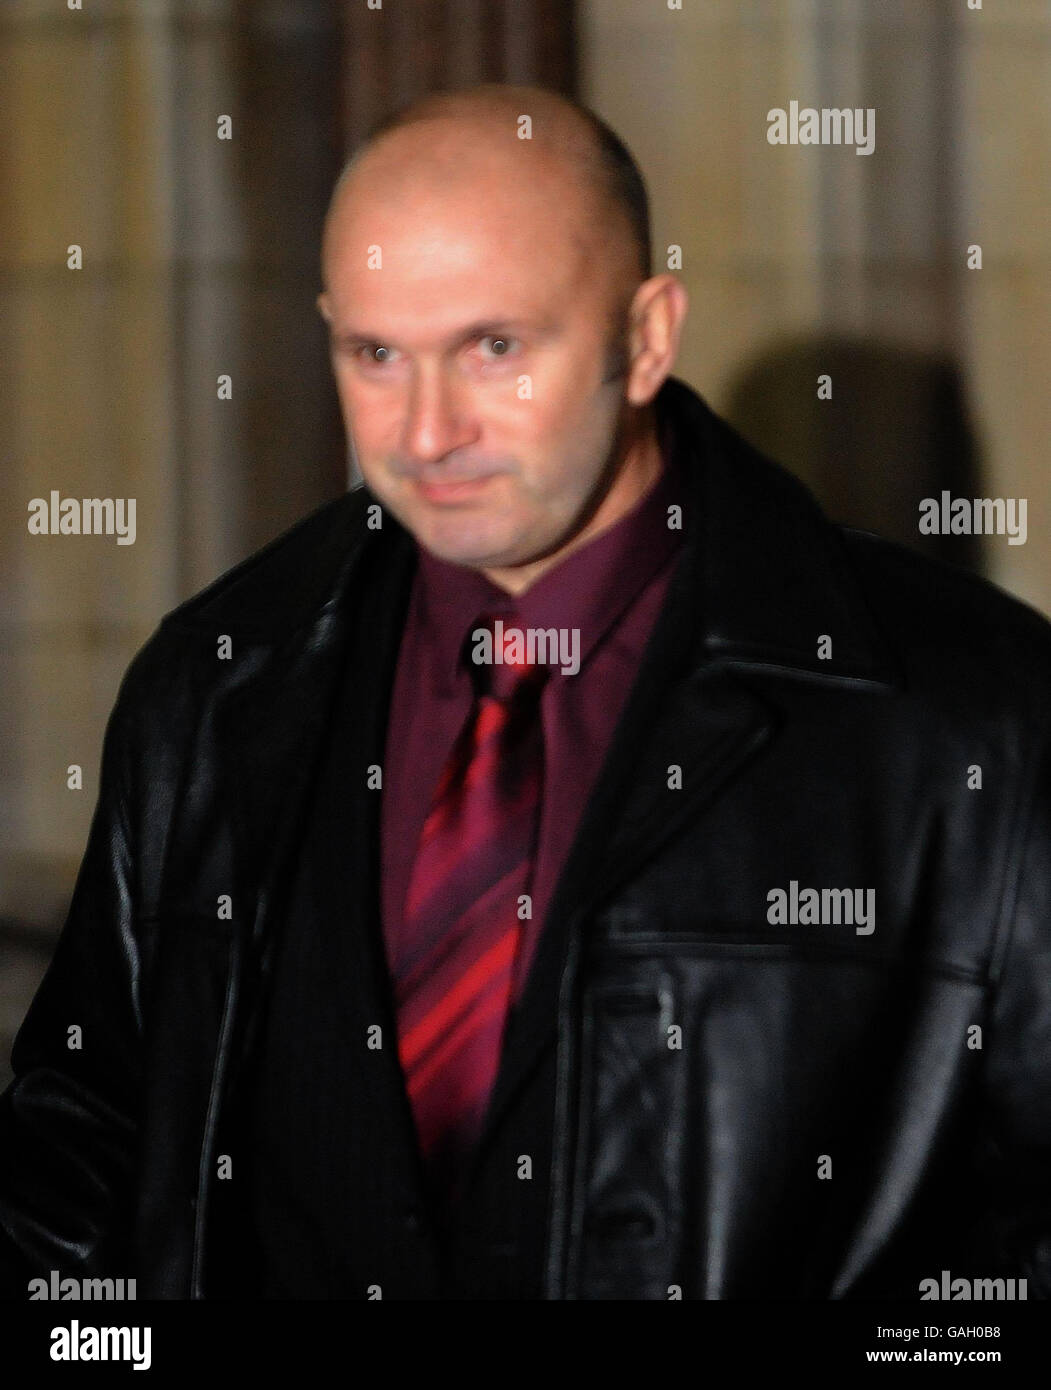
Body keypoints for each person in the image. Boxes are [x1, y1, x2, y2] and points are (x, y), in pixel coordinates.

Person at [1, 82, 1050, 1302]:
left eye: (493, 348)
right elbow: (79, 1155)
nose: (428, 430)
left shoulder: (972, 713)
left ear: (647, 336)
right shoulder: (217, 683)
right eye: (376, 354)